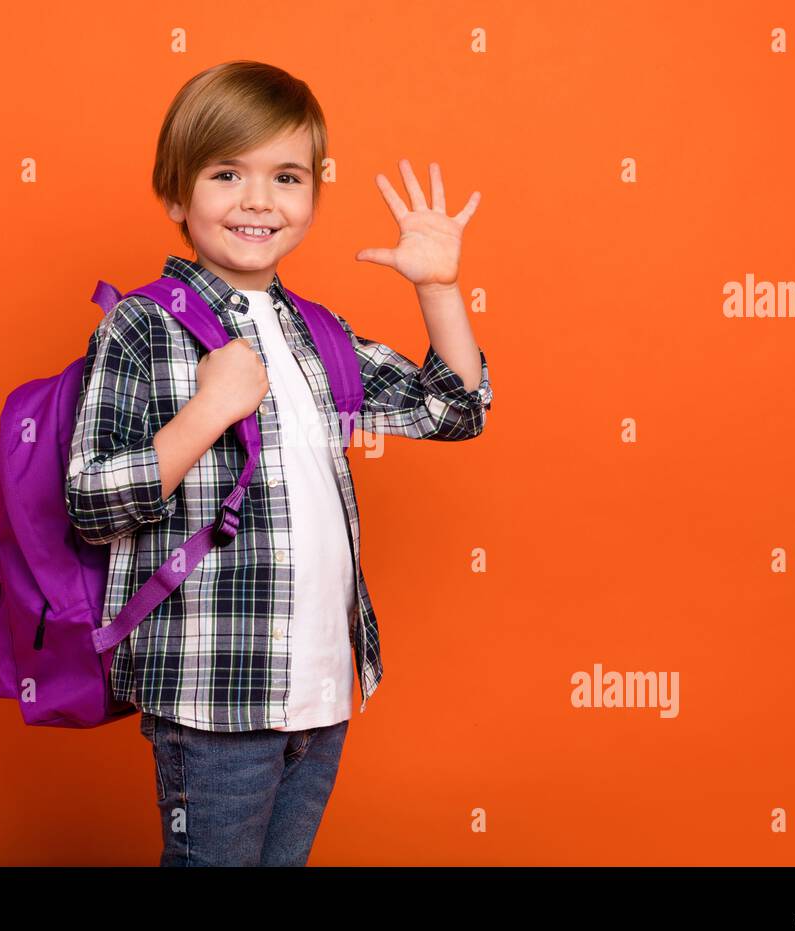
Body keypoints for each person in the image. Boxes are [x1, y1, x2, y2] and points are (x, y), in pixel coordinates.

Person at [65, 60, 493, 866]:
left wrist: (440, 289)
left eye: (286, 176)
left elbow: (453, 410)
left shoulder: (316, 332)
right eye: (229, 173)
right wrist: (205, 413)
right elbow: (90, 500)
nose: (259, 199)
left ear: (310, 200)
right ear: (176, 195)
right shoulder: (143, 327)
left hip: (323, 689)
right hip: (215, 694)